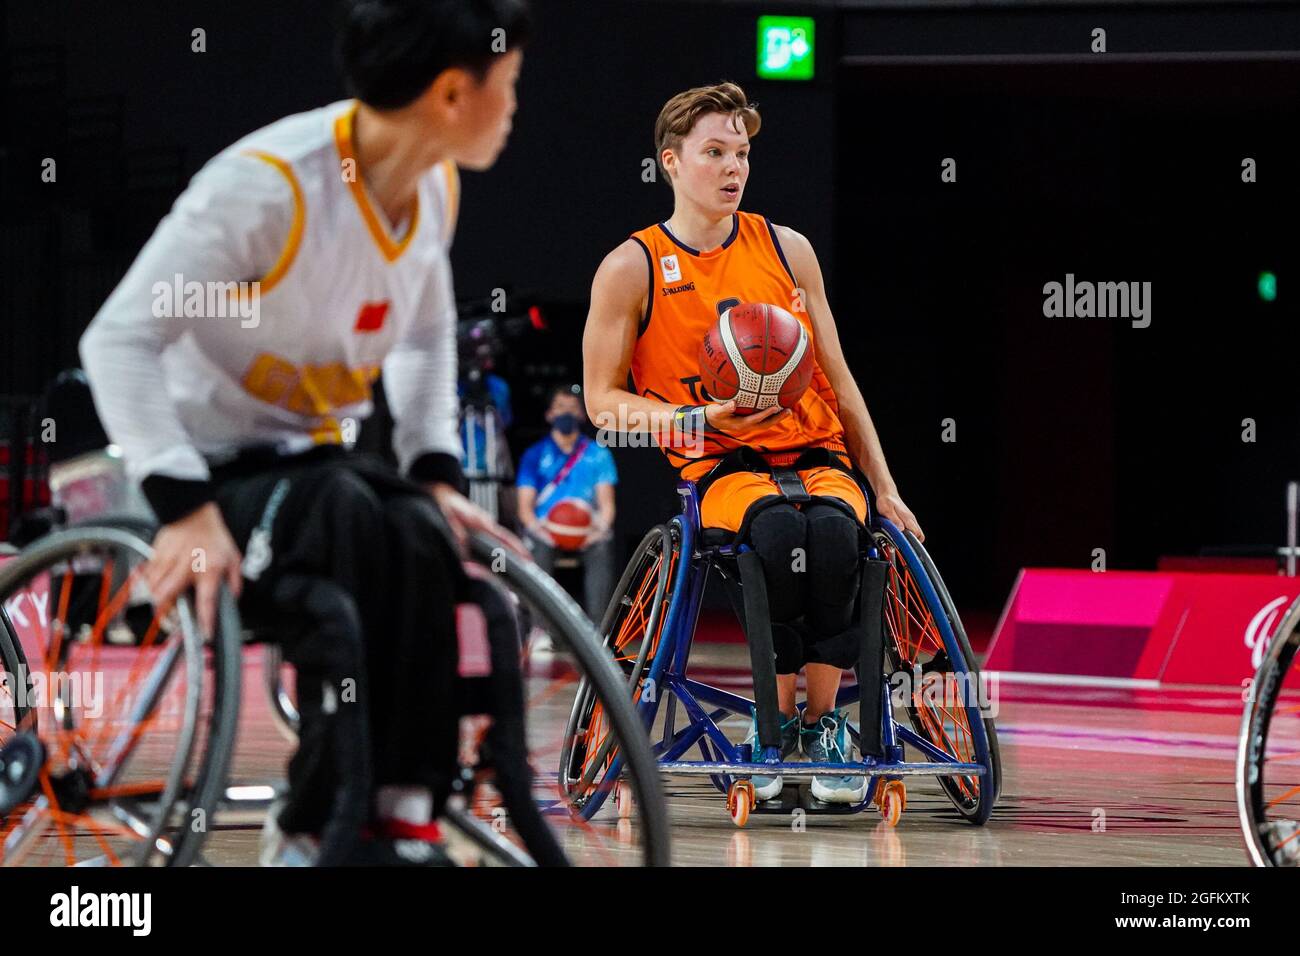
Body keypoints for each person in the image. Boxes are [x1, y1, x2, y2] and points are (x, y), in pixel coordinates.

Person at [79, 0, 533, 864]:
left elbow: (428, 334)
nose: (513, 108)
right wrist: (182, 507)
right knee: (348, 512)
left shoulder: (431, 186)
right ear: (448, 93)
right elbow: (117, 338)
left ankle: (404, 805)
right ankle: (314, 822)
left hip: (317, 469)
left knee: (416, 524)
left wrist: (432, 467)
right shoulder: (267, 187)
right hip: (200, 471)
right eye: (506, 87)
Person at [582, 81, 923, 804]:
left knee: (836, 536)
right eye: (714, 152)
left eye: (741, 152)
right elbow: (602, 402)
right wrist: (693, 420)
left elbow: (842, 379)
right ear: (671, 163)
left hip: (816, 454)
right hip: (721, 462)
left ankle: (822, 726)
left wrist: (885, 486)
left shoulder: (786, 249)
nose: (733, 167)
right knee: (772, 539)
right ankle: (770, 727)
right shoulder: (631, 267)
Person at [516, 384, 618, 622]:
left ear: (582, 415)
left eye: (572, 408)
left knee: (602, 548)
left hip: (587, 529)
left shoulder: (598, 453)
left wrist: (598, 529)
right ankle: (539, 629)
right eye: (560, 408)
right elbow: (524, 508)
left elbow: (607, 505)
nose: (566, 413)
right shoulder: (534, 454)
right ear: (549, 414)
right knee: (536, 550)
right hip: (545, 529)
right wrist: (538, 529)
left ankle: (598, 631)